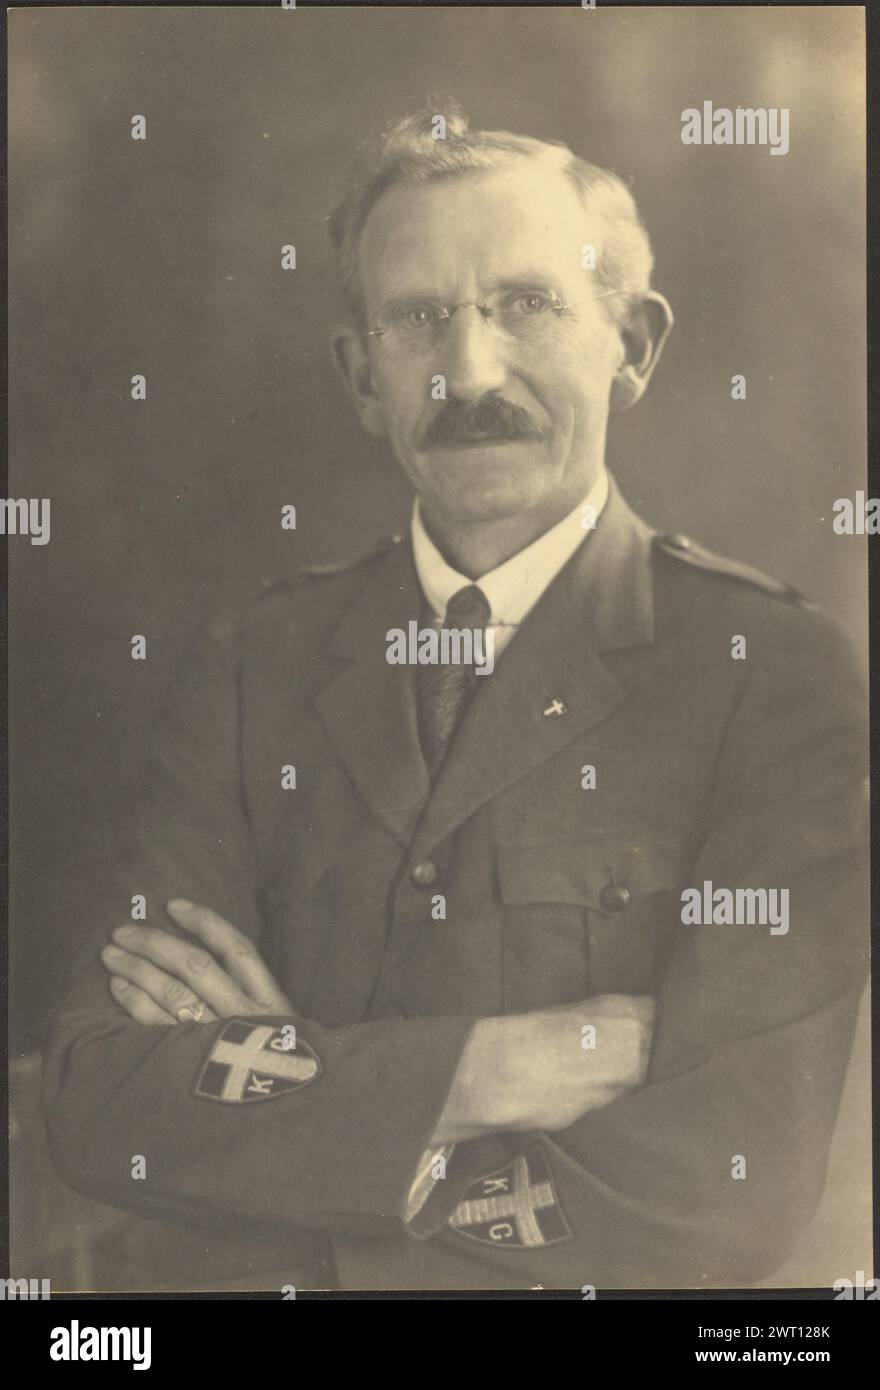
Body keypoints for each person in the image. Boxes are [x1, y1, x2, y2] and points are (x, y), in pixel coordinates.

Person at [43, 104, 868, 1292]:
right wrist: (486, 1069)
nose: (469, 371)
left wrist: (312, 1109)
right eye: (419, 319)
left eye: (524, 305)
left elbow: (724, 1179)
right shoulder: (253, 664)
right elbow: (102, 1096)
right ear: (361, 376)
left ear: (631, 344)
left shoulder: (767, 676)